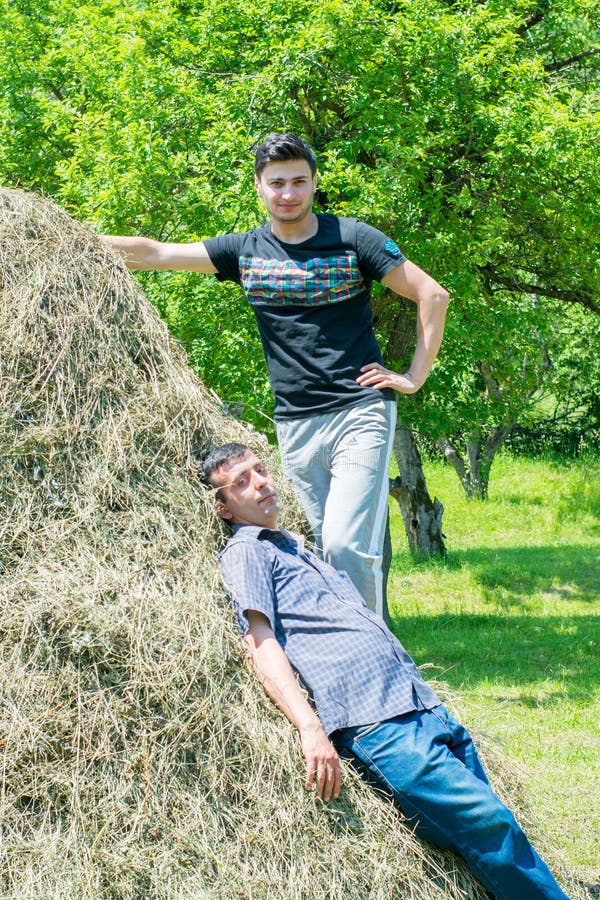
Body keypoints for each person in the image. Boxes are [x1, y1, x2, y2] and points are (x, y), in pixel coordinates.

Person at [202, 441, 571, 900]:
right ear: (223, 509)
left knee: (493, 831)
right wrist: (308, 726)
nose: (260, 482)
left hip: (420, 705)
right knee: (490, 827)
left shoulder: (295, 546)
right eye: (241, 481)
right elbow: (260, 641)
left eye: (260, 470)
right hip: (377, 725)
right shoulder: (247, 552)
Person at [102, 133, 449, 618]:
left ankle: (378, 656)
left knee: (349, 545)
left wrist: (414, 376)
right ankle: (347, 654)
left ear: (313, 184)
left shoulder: (352, 239)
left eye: (299, 182)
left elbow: (431, 295)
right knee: (326, 547)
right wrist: (65, 235)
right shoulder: (246, 250)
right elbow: (156, 253)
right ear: (259, 187)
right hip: (295, 422)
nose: (289, 193)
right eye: (277, 183)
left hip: (359, 409)